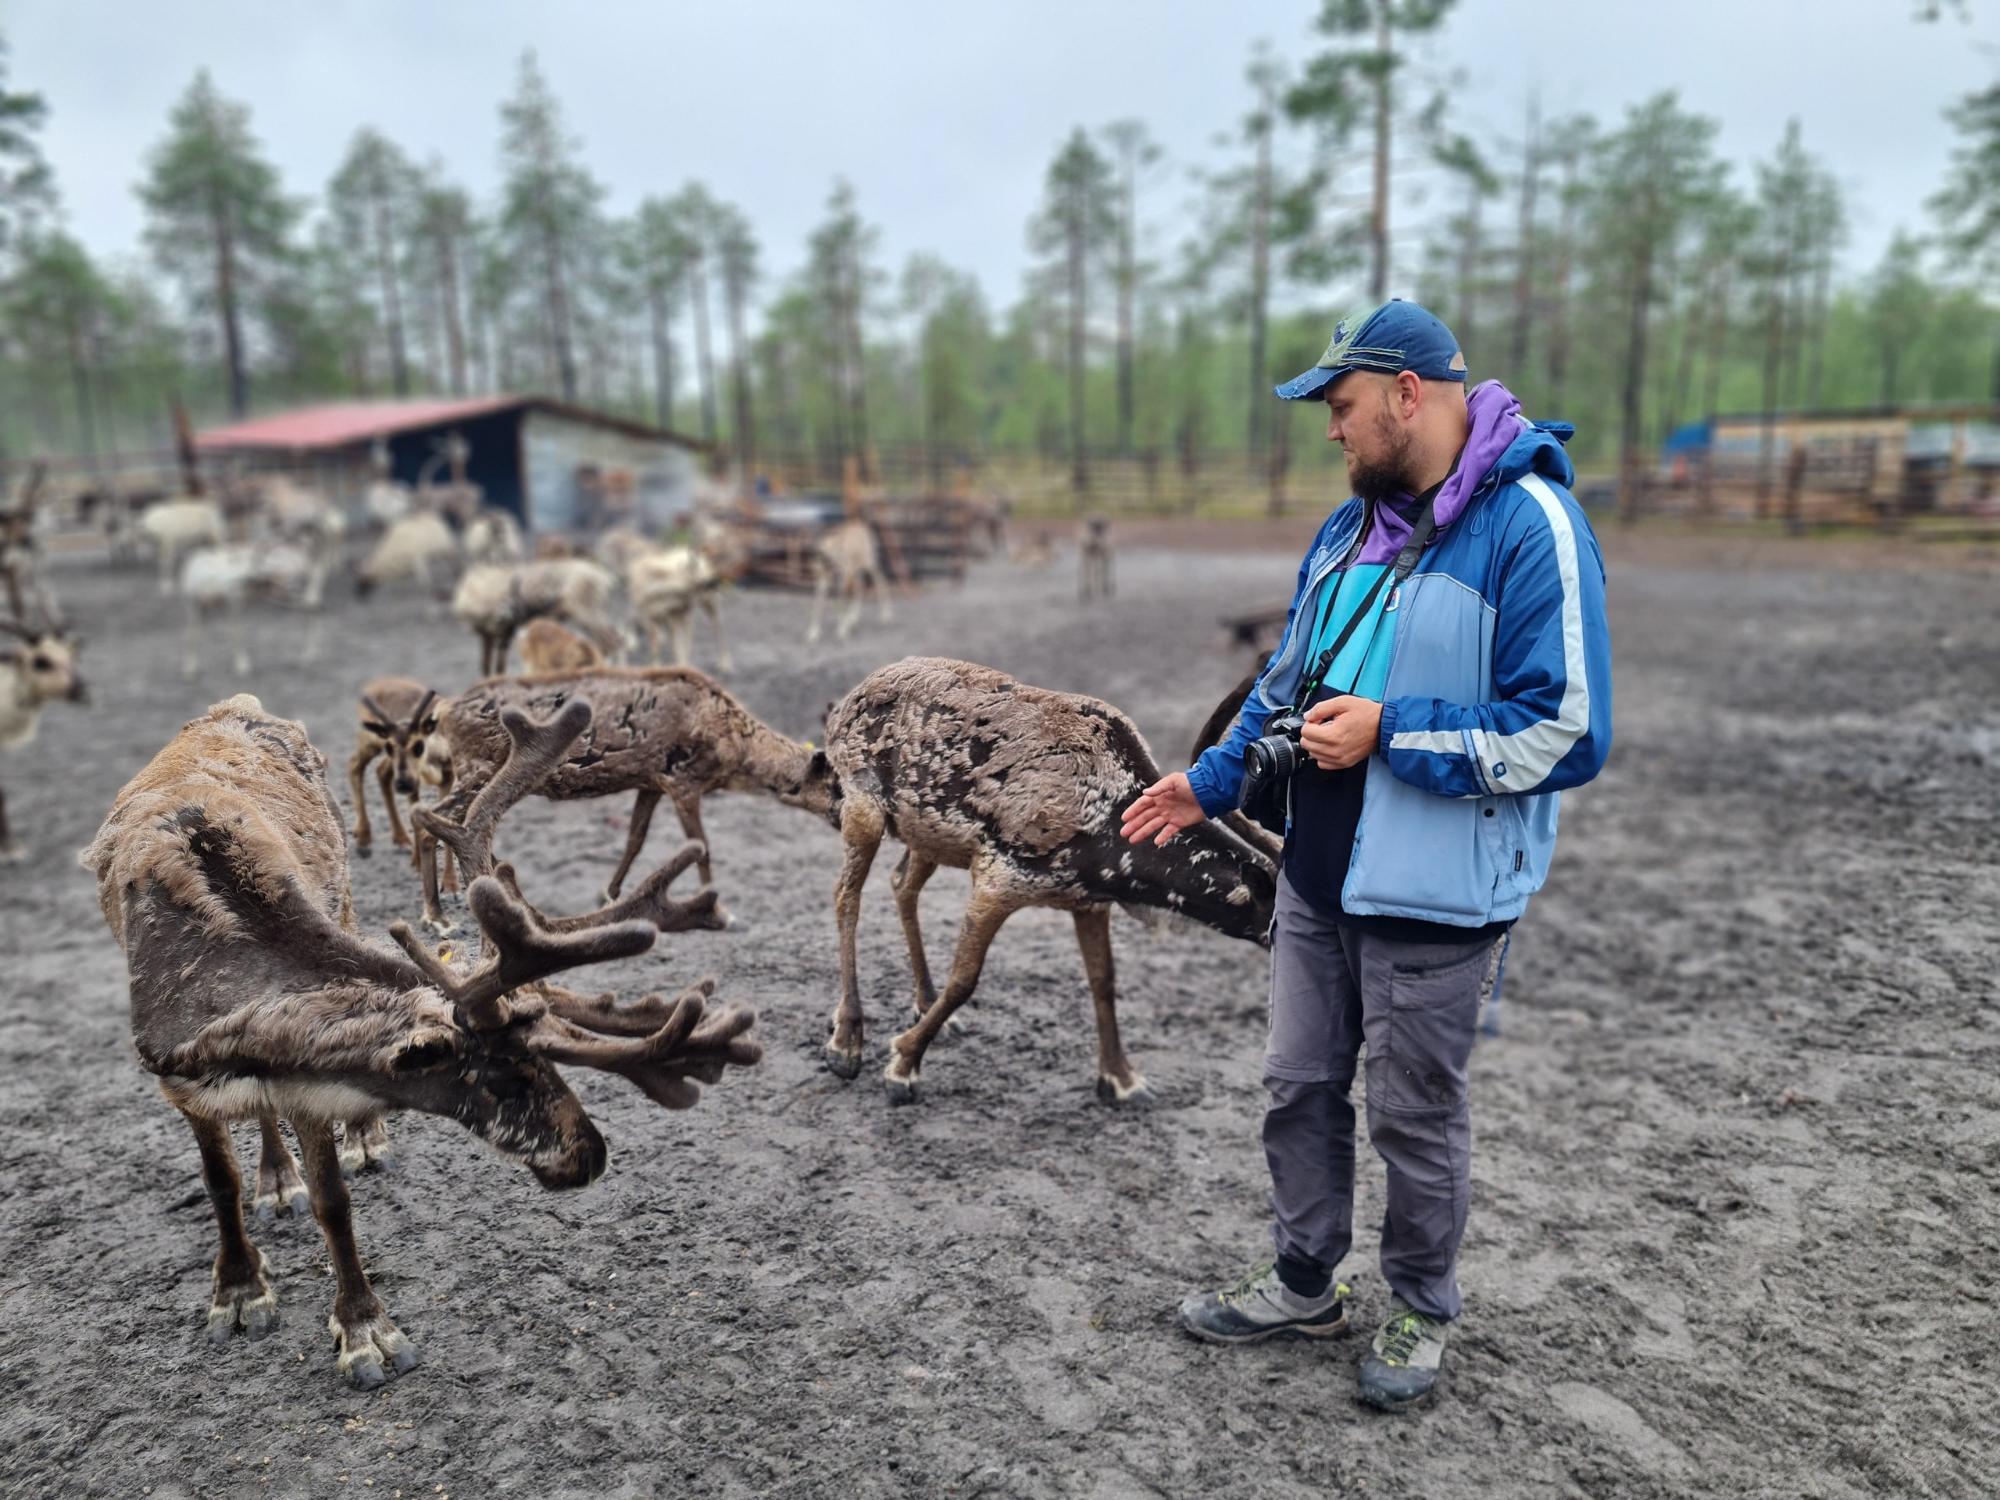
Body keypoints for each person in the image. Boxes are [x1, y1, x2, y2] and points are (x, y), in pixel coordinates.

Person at [1120, 299, 1611, 1411]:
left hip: (1435, 897)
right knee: (1295, 1087)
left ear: (1406, 392)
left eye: (1341, 407)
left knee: (1412, 1113)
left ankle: (1420, 1307)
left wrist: (1392, 731)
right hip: (1316, 874)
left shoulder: (1529, 525)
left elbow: (1568, 730)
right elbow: (1284, 683)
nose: (1331, 432)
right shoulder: (1349, 531)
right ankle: (1303, 1279)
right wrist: (1209, 780)